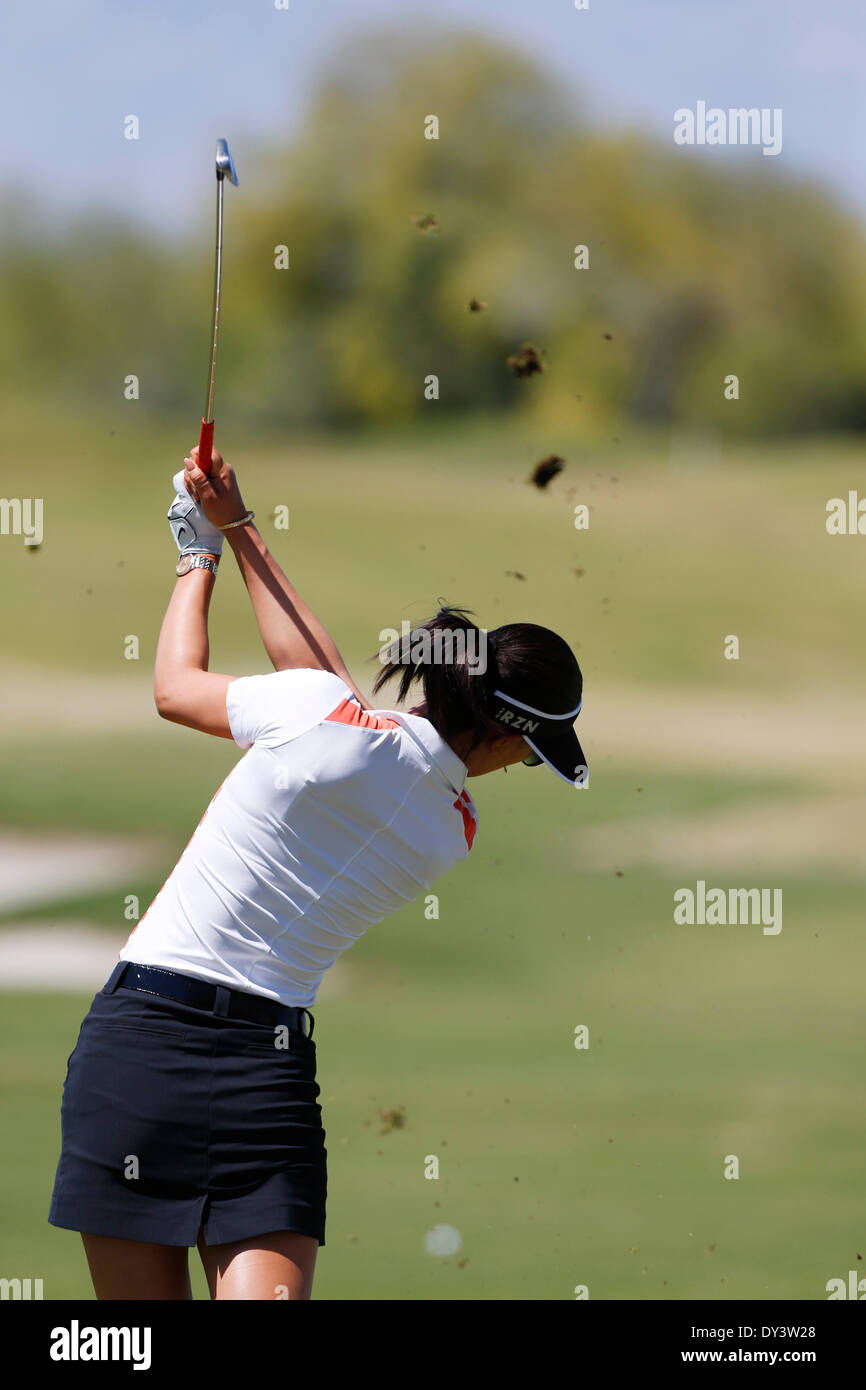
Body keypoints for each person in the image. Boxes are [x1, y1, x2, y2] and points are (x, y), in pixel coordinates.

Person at [48, 446, 588, 1300]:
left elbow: (176, 687)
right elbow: (333, 692)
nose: (519, 767)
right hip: (266, 1077)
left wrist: (203, 552)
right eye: (529, 754)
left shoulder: (318, 716)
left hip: (136, 1045)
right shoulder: (454, 828)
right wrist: (237, 527)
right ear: (502, 734)